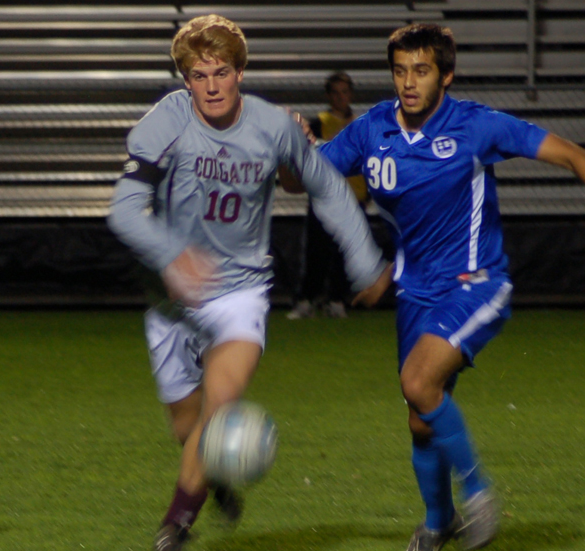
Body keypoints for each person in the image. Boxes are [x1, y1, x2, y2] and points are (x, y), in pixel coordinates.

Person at [107, 15, 391, 551]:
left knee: (220, 405)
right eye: (197, 75)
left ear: (241, 71)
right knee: (188, 430)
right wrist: (173, 256)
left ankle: (175, 526)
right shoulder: (167, 120)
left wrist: (364, 258)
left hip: (239, 290)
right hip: (171, 301)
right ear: (183, 79)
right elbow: (123, 211)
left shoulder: (272, 125)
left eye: (221, 72)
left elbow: (327, 187)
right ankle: (213, 479)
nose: (211, 86)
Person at [317, 23, 585, 551]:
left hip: (476, 283)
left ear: (447, 75)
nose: (408, 82)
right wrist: (290, 149)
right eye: (400, 70)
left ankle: (480, 494)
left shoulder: (477, 125)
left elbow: (573, 156)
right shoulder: (372, 129)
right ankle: (439, 524)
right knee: (421, 421)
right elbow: (304, 176)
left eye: (421, 70)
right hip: (415, 293)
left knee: (418, 384)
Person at [287, 72, 369, 320]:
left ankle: (337, 300)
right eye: (336, 92)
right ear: (328, 95)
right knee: (316, 253)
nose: (341, 97)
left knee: (346, 255)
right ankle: (307, 300)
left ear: (351, 94)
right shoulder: (318, 124)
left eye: (345, 92)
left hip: (354, 200)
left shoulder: (361, 125)